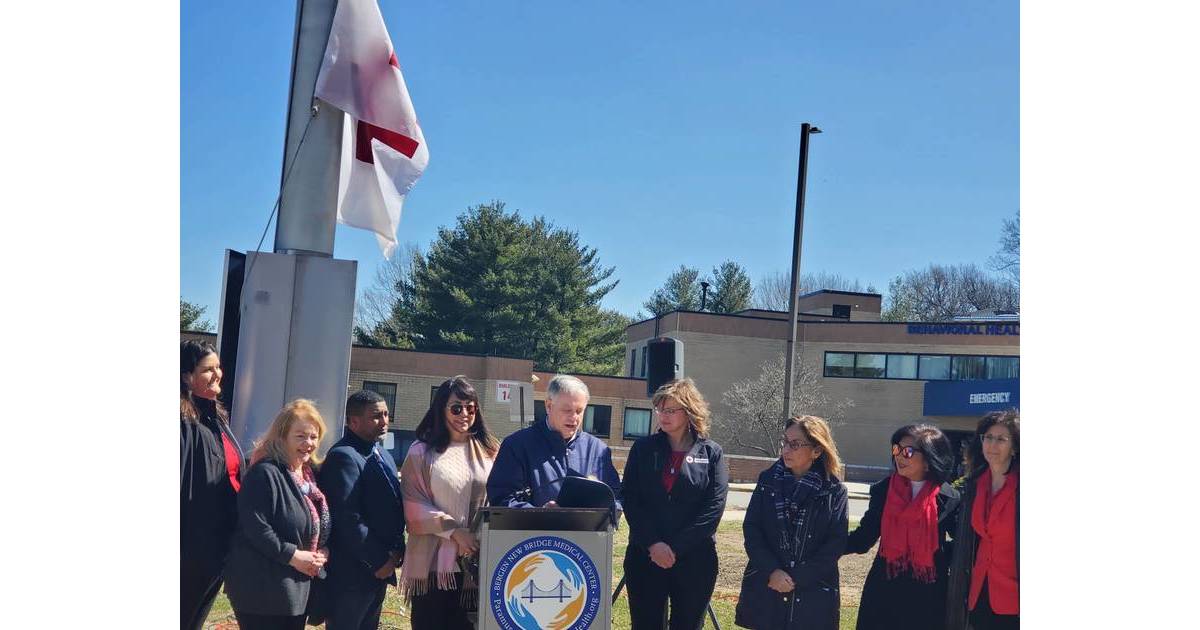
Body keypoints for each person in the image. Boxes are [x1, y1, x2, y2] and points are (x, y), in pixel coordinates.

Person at [620, 378, 729, 630]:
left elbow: (713, 508)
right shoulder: (643, 449)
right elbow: (631, 499)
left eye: (670, 410)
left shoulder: (711, 453)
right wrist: (654, 544)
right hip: (646, 555)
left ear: (689, 411)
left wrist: (676, 548)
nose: (663, 415)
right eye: (660, 409)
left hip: (694, 559)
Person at [400, 376, 501, 630]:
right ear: (440, 409)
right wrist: (455, 532)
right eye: (456, 408)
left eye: (471, 407)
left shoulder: (489, 450)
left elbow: (500, 495)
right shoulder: (420, 452)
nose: (464, 414)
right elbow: (413, 504)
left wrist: (474, 538)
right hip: (434, 566)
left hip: (477, 561)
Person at [222, 399, 331, 630]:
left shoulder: (309, 476)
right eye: (300, 436)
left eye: (313, 436)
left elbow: (313, 525)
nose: (308, 443)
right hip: (262, 590)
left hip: (296, 589)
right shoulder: (265, 473)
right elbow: (257, 528)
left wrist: (321, 552)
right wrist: (293, 556)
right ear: (282, 436)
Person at [735, 415, 849, 630]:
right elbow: (752, 529)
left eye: (795, 444)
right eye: (784, 442)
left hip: (813, 592)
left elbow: (835, 543)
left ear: (816, 450)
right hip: (768, 586)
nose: (786, 449)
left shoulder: (834, 490)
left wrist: (796, 578)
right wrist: (773, 571)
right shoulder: (767, 481)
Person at [844, 423, 961, 630]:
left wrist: (939, 554)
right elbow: (863, 539)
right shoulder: (883, 491)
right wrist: (825, 544)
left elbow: (961, 544)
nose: (898, 456)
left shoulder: (949, 497)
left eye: (907, 451)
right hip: (884, 589)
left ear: (929, 459)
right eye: (896, 449)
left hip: (929, 594)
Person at [317, 390, 407, 630]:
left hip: (380, 571)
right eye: (376, 416)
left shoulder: (382, 454)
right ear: (354, 421)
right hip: (353, 574)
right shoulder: (343, 457)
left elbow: (392, 506)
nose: (385, 420)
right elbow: (347, 517)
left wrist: (397, 549)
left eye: (386, 414)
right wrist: (378, 560)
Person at [180, 340, 245, 630]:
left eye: (218, 367)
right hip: (190, 548)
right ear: (186, 377)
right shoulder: (182, 422)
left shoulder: (216, 417)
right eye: (208, 369)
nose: (218, 373)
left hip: (217, 546)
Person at [486, 374, 622, 509]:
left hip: (585, 529)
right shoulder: (516, 446)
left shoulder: (597, 450)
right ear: (549, 405)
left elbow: (615, 498)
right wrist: (542, 515)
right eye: (567, 410)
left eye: (579, 411)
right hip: (533, 529)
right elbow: (502, 498)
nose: (574, 417)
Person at [946, 410, 1019, 630]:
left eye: (1001, 439)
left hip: (1015, 598)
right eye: (988, 437)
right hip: (978, 592)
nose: (992, 445)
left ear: (1014, 447)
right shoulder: (974, 485)